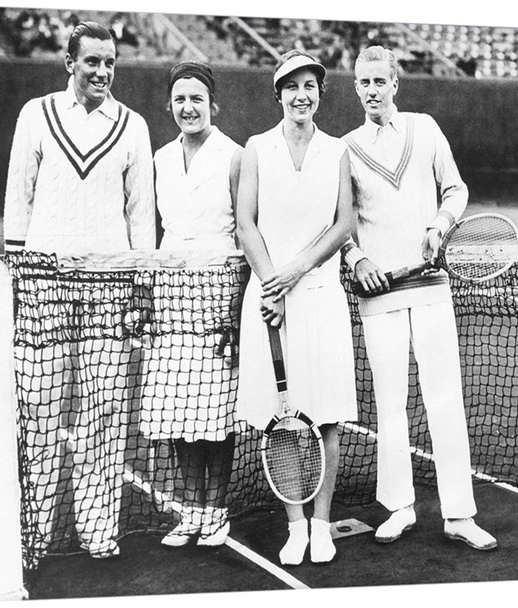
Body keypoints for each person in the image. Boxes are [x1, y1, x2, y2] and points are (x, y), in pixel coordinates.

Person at [3, 21, 155, 559]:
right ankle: (35, 533)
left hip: (109, 287)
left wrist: (142, 283)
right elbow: (18, 197)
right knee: (40, 409)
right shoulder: (36, 114)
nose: (101, 71)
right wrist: (19, 275)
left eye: (110, 62)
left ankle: (97, 531)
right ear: (70, 63)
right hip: (44, 284)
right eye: (91, 61)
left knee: (105, 412)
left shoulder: (133, 125)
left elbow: (141, 212)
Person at [341, 45, 497, 550]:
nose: (371, 91)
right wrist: (355, 259)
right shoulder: (344, 148)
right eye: (363, 83)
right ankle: (399, 508)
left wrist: (438, 228)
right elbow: (337, 223)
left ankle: (459, 515)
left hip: (430, 288)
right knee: (389, 404)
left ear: (395, 85)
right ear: (356, 88)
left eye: (379, 82)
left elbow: (455, 189)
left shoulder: (425, 128)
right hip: (378, 295)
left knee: (444, 397)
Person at [235, 49, 358, 566]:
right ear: (278, 93)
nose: (301, 95)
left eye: (310, 85)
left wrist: (297, 270)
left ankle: (323, 523)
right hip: (269, 302)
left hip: (320, 295)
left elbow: (344, 225)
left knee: (325, 417)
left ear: (319, 93)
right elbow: (246, 223)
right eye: (291, 86)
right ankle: (295, 526)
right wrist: (271, 285)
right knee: (282, 422)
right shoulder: (256, 149)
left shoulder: (338, 151)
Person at [140, 61, 244, 548]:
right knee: (179, 410)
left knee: (215, 414)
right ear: (170, 105)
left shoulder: (235, 156)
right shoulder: (158, 158)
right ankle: (192, 508)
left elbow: (245, 234)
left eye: (197, 98)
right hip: (171, 295)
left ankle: (218, 509)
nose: (188, 107)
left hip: (219, 293)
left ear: (212, 104)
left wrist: (235, 309)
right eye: (180, 99)